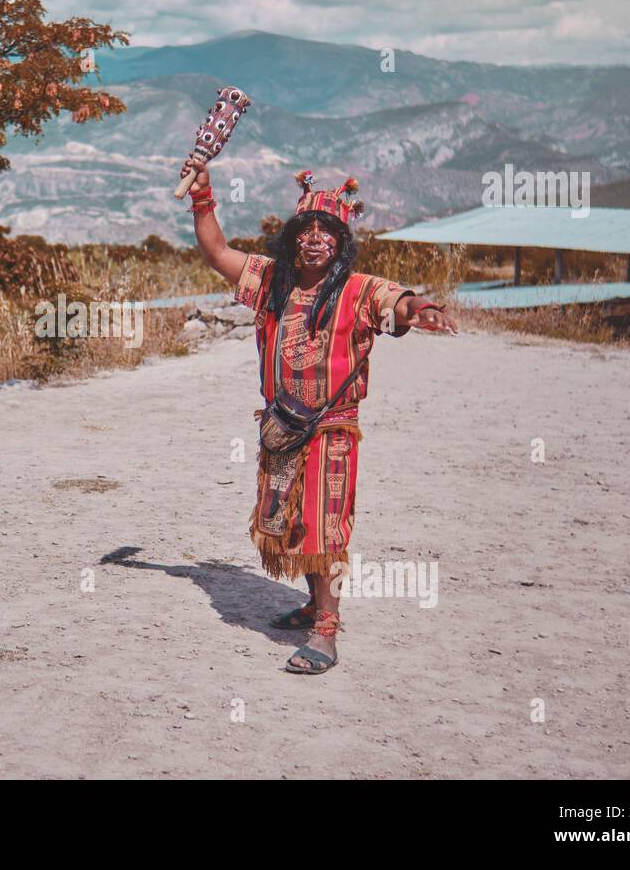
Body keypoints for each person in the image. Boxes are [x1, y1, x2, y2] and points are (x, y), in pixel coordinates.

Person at [182, 157, 457, 673]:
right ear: (292, 238)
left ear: (341, 240)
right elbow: (217, 251)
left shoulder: (358, 290)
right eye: (304, 229)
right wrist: (203, 196)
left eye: (325, 230)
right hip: (282, 428)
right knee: (288, 523)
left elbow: (400, 302)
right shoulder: (271, 282)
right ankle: (313, 603)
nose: (313, 239)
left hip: (332, 431)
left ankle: (326, 630)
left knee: (324, 527)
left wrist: (422, 310)